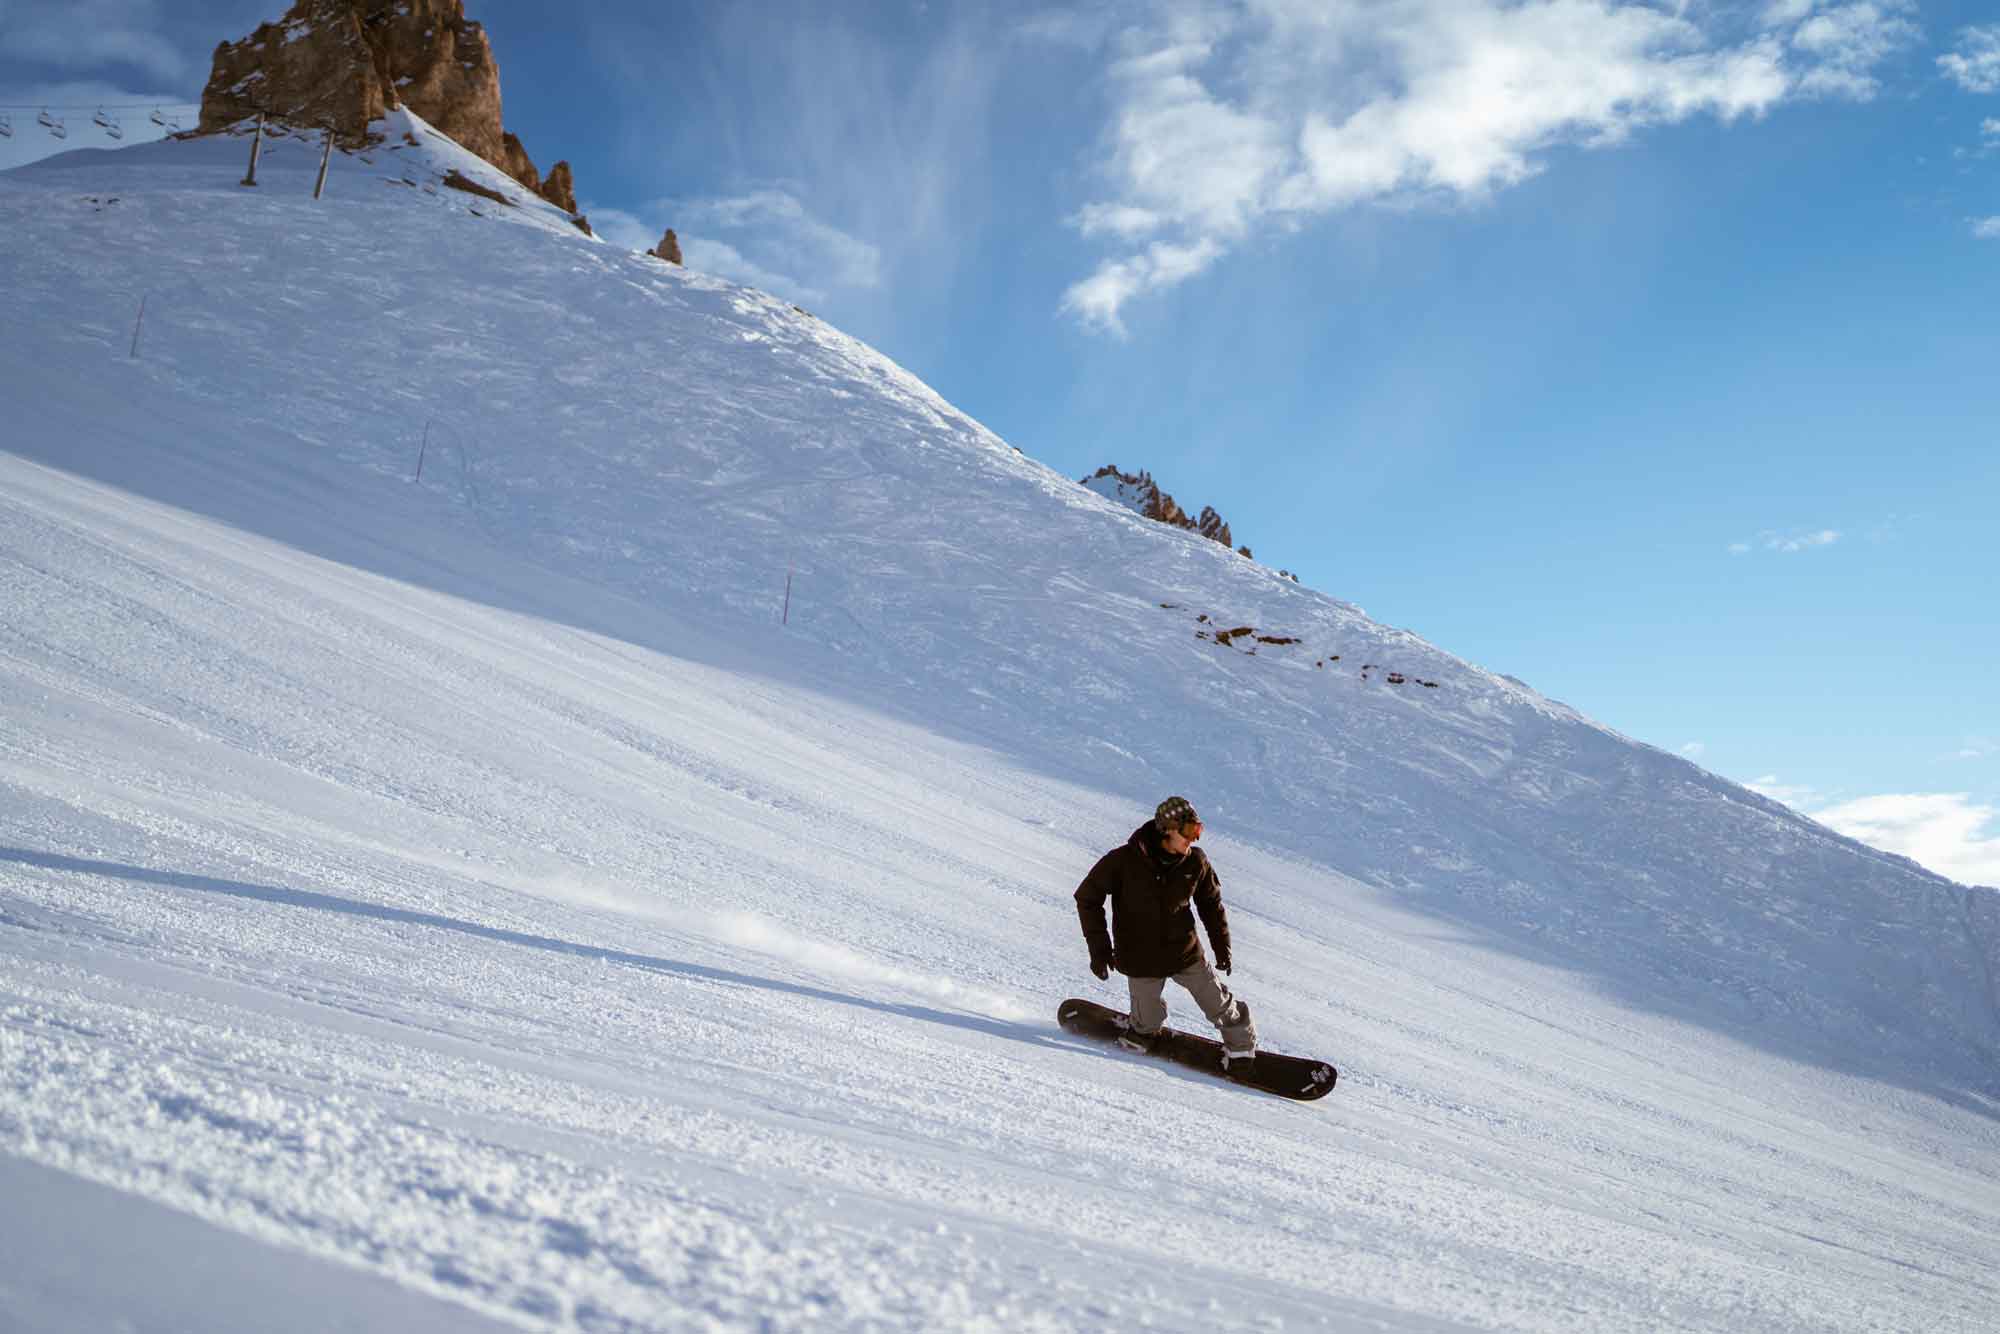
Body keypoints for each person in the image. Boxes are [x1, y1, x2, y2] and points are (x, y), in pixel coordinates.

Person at [1074, 796, 1257, 1069]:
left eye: (1198, 831)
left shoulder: (1196, 862)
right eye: (1187, 832)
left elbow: (1210, 905)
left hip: (1183, 952)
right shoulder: (1123, 861)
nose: (1193, 840)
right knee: (1146, 1022)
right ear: (1167, 829)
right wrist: (1099, 949)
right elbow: (1088, 897)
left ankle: (1242, 1050)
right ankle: (1143, 1032)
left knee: (1219, 1005)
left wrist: (1222, 946)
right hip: (1140, 956)